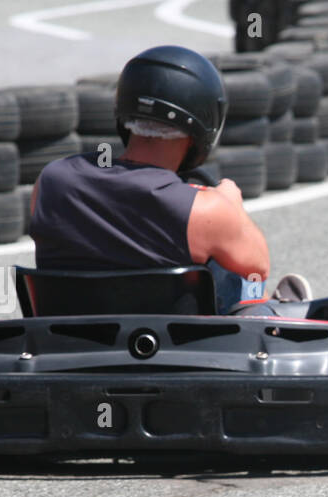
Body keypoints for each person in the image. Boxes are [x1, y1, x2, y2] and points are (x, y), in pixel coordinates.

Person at [29, 44, 310, 309]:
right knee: (246, 287)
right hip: (172, 348)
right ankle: (275, 311)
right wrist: (230, 202)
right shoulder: (205, 211)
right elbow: (257, 267)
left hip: (65, 344)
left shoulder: (52, 181)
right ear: (203, 124)